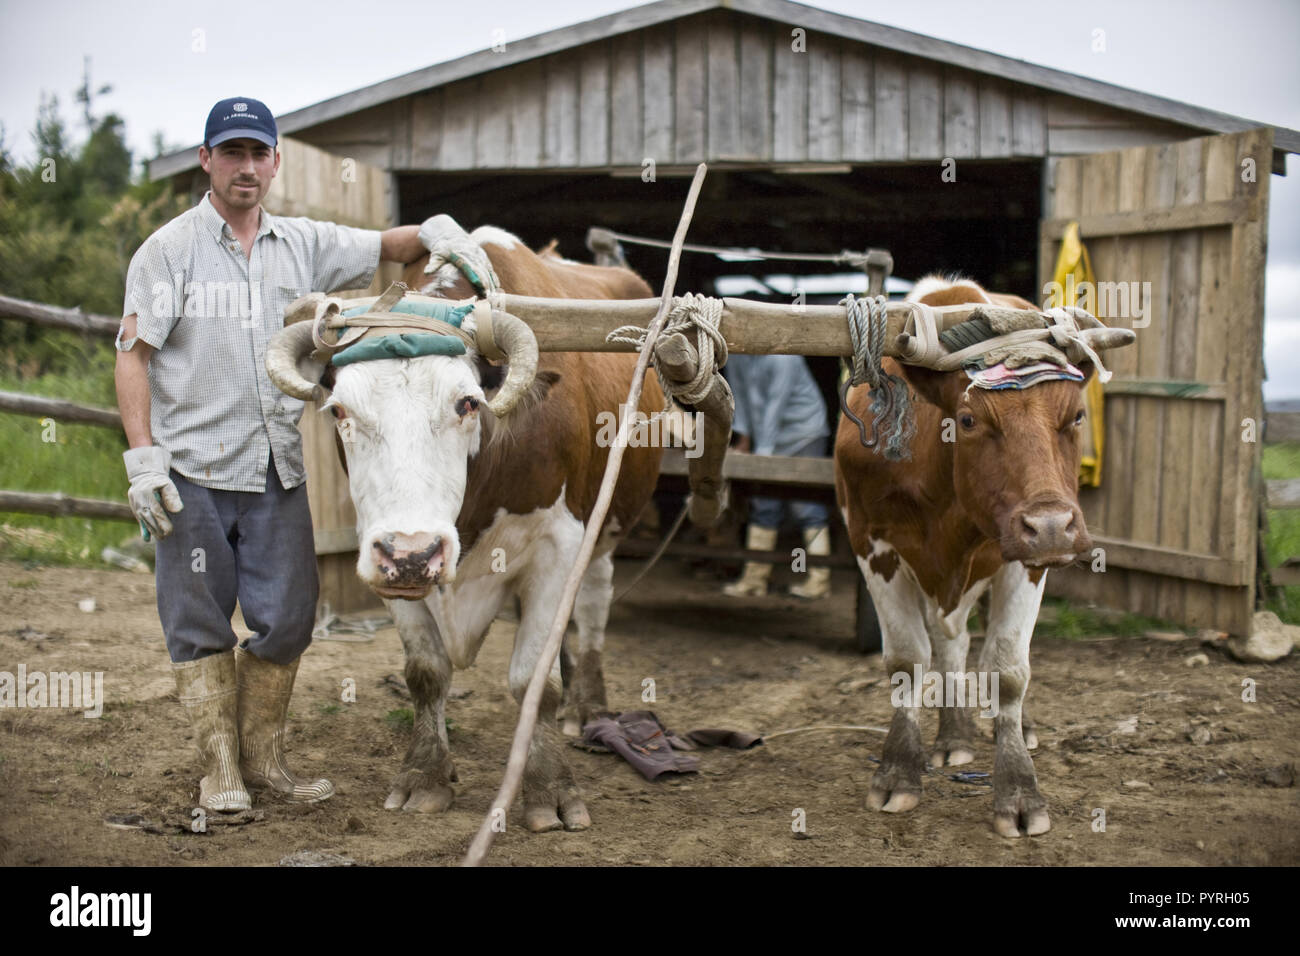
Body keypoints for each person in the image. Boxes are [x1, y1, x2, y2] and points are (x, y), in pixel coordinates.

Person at [114, 97, 434, 812]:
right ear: (206, 160)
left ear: (276, 161)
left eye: (259, 153)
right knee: (198, 622)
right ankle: (219, 770)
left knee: (289, 618)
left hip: (275, 467)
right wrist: (144, 463)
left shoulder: (305, 243)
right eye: (232, 153)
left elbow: (395, 243)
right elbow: (133, 356)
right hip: (190, 471)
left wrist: (441, 231)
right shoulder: (169, 250)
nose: (247, 167)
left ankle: (264, 762)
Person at [722, 353, 833, 599]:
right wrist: (744, 439)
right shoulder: (737, 356)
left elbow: (776, 404)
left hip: (803, 432)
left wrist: (763, 455)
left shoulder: (785, 357)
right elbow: (737, 394)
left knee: (805, 507)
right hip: (766, 436)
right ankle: (754, 580)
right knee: (763, 505)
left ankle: (818, 580)